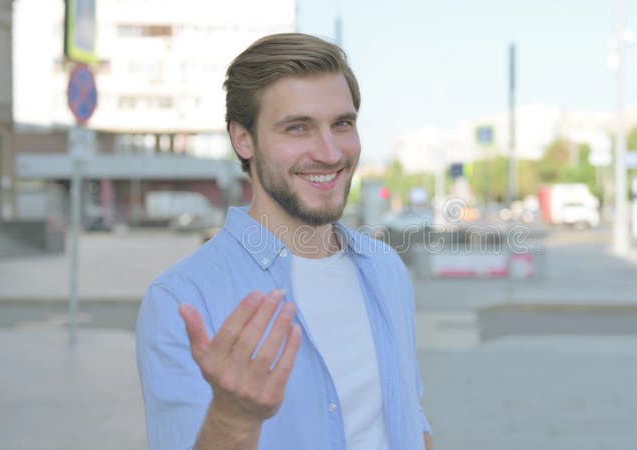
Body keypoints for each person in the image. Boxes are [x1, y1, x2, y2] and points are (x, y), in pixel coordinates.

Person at [135, 33, 433, 450]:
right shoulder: (182, 300)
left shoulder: (386, 268)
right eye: (298, 128)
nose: (330, 153)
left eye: (342, 124)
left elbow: (410, 421)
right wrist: (232, 418)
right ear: (243, 140)